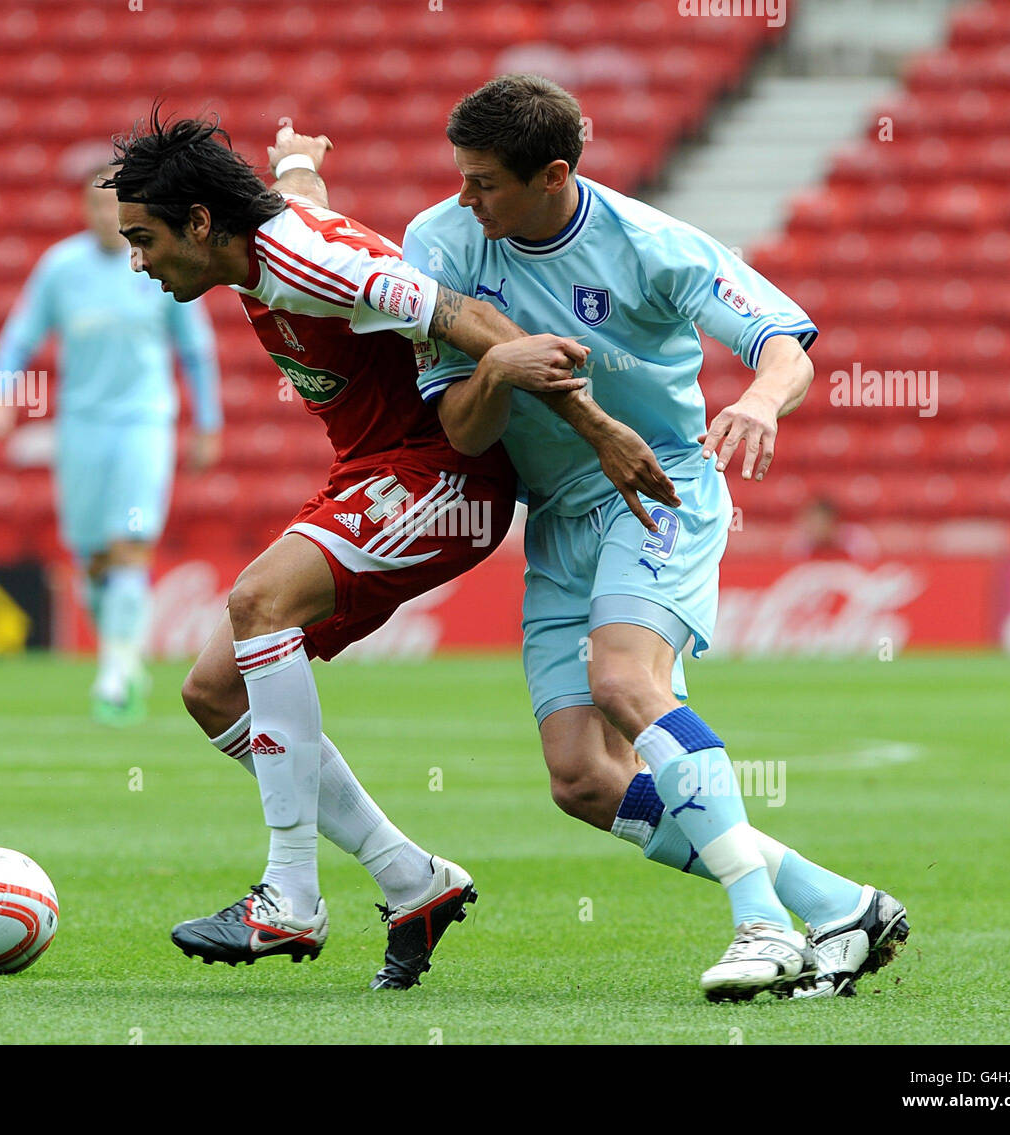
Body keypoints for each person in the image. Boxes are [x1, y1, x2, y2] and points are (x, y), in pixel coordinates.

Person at [101, 110, 663, 989]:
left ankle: (289, 898)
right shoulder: (263, 235)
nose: (138, 259)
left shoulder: (307, 262)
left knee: (258, 602)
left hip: (447, 475)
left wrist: (597, 428)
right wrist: (297, 158)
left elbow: (461, 312)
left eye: (144, 238)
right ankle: (414, 879)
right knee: (214, 691)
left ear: (200, 224)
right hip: (369, 472)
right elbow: (295, 196)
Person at [379, 74, 907, 1000]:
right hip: (555, 517)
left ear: (552, 175)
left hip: (659, 487)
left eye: (484, 182)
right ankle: (841, 905)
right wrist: (499, 364)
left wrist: (755, 398)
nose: (464, 197)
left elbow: (785, 344)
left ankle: (763, 924)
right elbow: (462, 428)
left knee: (626, 681)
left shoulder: (652, 244)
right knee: (584, 778)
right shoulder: (440, 242)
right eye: (459, 176)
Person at [0, 150, 222, 725]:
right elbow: (20, 336)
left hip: (144, 424)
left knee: (129, 543)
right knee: (92, 557)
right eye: (93, 203)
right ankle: (124, 657)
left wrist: (207, 421)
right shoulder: (61, 269)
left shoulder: (158, 261)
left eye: (111, 204)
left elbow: (195, 348)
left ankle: (114, 675)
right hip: (81, 429)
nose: (102, 214)